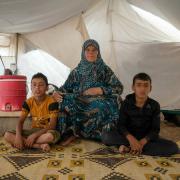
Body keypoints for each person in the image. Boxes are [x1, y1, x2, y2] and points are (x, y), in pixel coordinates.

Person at [53, 39, 123, 145]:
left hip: (100, 99)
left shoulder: (104, 70)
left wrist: (100, 90)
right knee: (64, 100)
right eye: (88, 50)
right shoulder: (77, 72)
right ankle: (72, 132)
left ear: (98, 52)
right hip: (80, 101)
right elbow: (65, 88)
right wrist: (55, 93)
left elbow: (118, 88)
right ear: (83, 52)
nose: (91, 53)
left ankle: (104, 135)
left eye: (94, 50)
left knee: (108, 104)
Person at [102, 73, 179, 156]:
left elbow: (155, 130)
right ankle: (135, 147)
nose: (142, 89)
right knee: (106, 136)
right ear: (133, 87)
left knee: (173, 147)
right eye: (139, 85)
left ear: (150, 88)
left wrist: (142, 142)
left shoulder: (154, 105)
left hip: (146, 139)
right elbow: (121, 126)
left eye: (146, 85)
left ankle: (130, 148)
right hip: (128, 137)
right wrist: (132, 140)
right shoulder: (126, 103)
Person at [4, 73, 60, 151]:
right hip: (33, 130)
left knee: (50, 137)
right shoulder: (28, 102)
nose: (37, 88)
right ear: (30, 87)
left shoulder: (52, 102)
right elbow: (20, 121)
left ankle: (25, 142)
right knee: (7, 135)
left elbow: (52, 125)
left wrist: (34, 135)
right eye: (34, 85)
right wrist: (18, 136)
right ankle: (38, 146)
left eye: (41, 85)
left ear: (47, 88)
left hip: (47, 131)